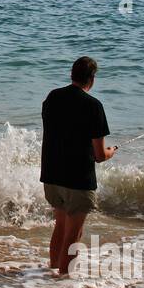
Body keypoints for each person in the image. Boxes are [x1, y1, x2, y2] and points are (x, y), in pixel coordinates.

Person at [41, 56, 116, 274]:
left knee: (61, 226)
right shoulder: (93, 106)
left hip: (52, 173)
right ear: (91, 79)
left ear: (72, 74)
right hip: (78, 178)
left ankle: (53, 270)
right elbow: (100, 155)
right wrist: (111, 152)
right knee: (74, 233)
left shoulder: (52, 97)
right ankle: (64, 282)